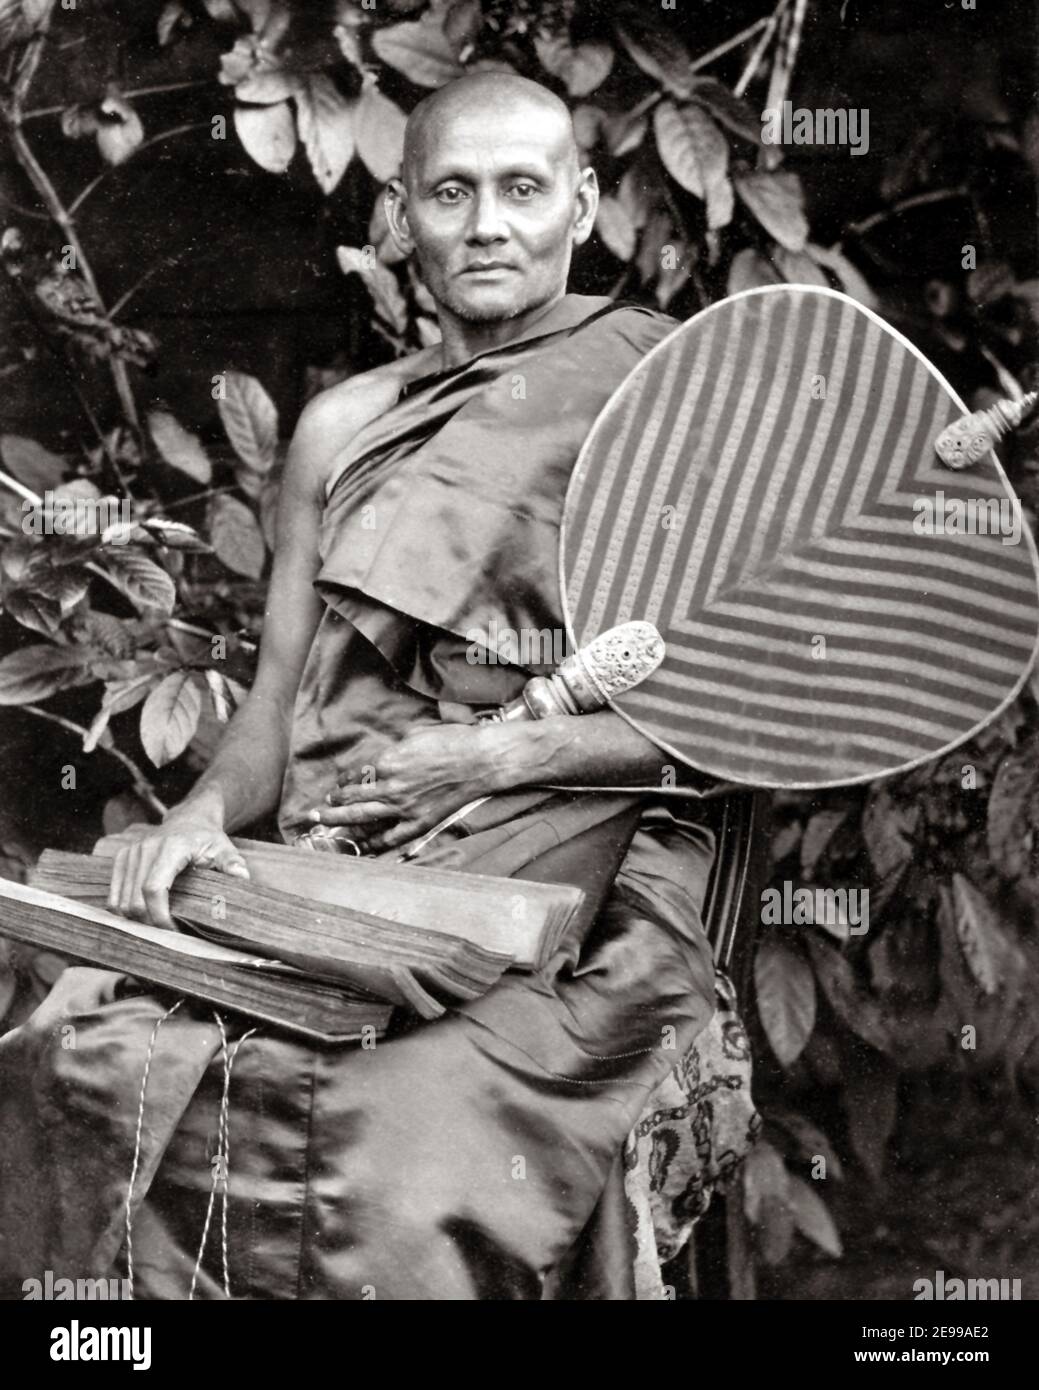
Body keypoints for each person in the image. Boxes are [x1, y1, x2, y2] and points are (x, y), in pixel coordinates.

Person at [0, 73, 720, 1300]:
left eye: (522, 191)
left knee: (402, 1146)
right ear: (402, 216)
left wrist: (501, 758)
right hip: (347, 864)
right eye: (451, 192)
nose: (486, 224)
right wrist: (199, 816)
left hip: (575, 884)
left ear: (584, 206)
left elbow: (742, 717)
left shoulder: (660, 392)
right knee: (70, 1056)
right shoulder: (340, 427)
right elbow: (275, 709)